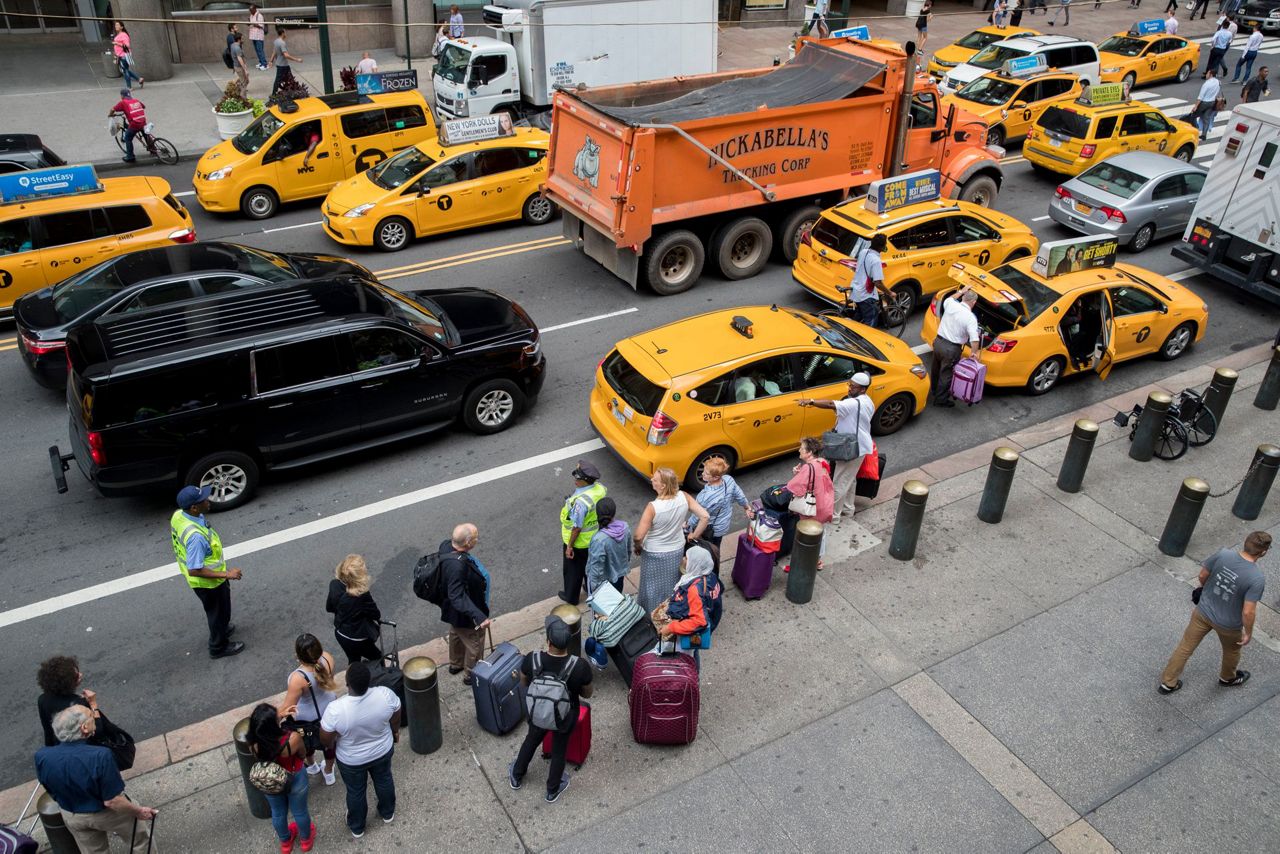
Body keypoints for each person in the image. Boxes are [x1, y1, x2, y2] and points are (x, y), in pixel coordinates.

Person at [35, 706, 158, 854]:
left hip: (72, 814)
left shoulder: (42, 756)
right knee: (140, 841)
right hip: (105, 812)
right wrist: (138, 811)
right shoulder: (101, 756)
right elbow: (112, 800)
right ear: (85, 727)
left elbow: (48, 785)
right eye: (92, 717)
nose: (94, 719)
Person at [1159, 532, 1270, 694]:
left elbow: (1203, 575)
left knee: (1185, 646)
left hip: (1203, 611)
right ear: (1264, 552)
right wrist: (1248, 632)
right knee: (1232, 651)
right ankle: (1227, 678)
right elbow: (1248, 612)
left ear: (1245, 543)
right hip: (1229, 624)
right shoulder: (1256, 578)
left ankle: (1168, 683)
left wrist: (1207, 591)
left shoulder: (1223, 554)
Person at [507, 616, 593, 803]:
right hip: (565, 717)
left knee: (531, 739)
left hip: (538, 712)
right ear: (568, 643)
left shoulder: (532, 659)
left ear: (548, 641)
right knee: (559, 749)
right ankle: (552, 790)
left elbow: (523, 682)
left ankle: (516, 775)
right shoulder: (579, 666)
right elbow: (587, 694)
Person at [320, 662, 400, 839]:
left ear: (348, 684)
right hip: (382, 750)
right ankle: (387, 813)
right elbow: (396, 712)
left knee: (356, 790)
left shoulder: (336, 710)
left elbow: (325, 740)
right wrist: (394, 731)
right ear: (370, 680)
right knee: (384, 779)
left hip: (351, 760)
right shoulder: (385, 694)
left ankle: (357, 826)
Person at [171, 485, 244, 658]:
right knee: (218, 613)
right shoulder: (195, 537)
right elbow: (195, 570)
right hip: (209, 583)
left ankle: (223, 628)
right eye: (203, 499)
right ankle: (218, 647)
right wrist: (227, 574)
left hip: (206, 582)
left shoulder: (179, 515)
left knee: (219, 612)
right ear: (194, 508)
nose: (208, 500)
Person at [797, 372, 873, 523]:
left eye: (853, 386)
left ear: (863, 389)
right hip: (860, 446)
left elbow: (831, 404)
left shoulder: (852, 403)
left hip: (850, 449)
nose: (849, 388)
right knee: (849, 480)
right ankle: (848, 509)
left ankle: (834, 516)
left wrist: (811, 401)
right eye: (849, 384)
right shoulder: (867, 401)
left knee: (839, 482)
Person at [633, 468, 709, 614]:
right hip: (676, 549)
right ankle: (669, 609)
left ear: (663, 486)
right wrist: (694, 535)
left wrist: (638, 546)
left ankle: (651, 612)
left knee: (651, 585)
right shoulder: (684, 496)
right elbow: (705, 516)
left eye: (655, 480)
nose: (651, 481)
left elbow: (638, 536)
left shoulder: (653, 507)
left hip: (654, 552)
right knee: (671, 583)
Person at [247, 702, 315, 853]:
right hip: (295, 776)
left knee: (277, 812)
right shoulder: (292, 739)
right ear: (273, 725)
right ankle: (305, 841)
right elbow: (303, 754)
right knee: (300, 812)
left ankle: (285, 842)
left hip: (271, 780)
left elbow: (264, 733)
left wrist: (278, 716)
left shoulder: (253, 743)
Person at [438, 523, 492, 685]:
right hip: (468, 612)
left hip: (453, 611)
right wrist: (480, 616)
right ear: (468, 543)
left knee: (455, 632)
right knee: (475, 643)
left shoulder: (446, 547)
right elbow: (460, 595)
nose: (477, 539)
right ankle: (471, 675)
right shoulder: (461, 569)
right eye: (475, 537)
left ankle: (455, 664)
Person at [282, 633, 338, 787]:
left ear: (298, 656)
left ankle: (312, 766)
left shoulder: (298, 678)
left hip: (307, 719)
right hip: (329, 708)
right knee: (329, 744)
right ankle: (328, 771)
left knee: (307, 743)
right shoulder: (327, 658)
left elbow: (287, 708)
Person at [659, 546, 718, 670]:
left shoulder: (694, 590)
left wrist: (670, 627)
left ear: (695, 564)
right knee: (693, 653)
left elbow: (699, 621)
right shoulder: (707, 576)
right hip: (697, 627)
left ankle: (690, 682)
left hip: (687, 631)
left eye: (687, 557)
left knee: (687, 658)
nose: (684, 559)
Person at [781, 436, 835, 570]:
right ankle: (817, 561)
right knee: (820, 534)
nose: (799, 450)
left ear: (809, 452)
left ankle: (801, 566)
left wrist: (796, 474)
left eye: (802, 448)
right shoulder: (822, 462)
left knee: (806, 536)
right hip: (825, 504)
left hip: (812, 509)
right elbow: (817, 480)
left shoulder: (808, 468)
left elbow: (793, 487)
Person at [560, 460, 607, 605]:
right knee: (589, 567)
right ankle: (589, 588)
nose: (575, 480)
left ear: (586, 481)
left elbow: (577, 527)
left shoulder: (581, 502)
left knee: (572, 572)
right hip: (593, 538)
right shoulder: (600, 489)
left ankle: (571, 597)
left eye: (578, 479)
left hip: (578, 543)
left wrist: (569, 546)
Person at [326, 554, 383, 665]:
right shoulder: (361, 595)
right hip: (358, 637)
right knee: (377, 658)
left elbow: (329, 607)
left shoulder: (334, 584)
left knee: (353, 660)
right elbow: (376, 614)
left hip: (340, 634)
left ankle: (352, 680)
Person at [930, 287, 981, 408]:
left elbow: (950, 298)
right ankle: (940, 400)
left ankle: (934, 390)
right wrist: (974, 353)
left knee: (936, 368)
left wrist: (962, 291)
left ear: (963, 297)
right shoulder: (970, 318)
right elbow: (974, 339)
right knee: (946, 374)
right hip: (951, 349)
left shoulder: (950, 304)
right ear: (974, 303)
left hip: (938, 342)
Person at [689, 457, 749, 553]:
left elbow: (698, 516)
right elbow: (739, 494)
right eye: (704, 470)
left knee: (706, 552)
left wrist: (689, 526)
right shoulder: (729, 480)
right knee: (716, 550)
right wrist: (746, 507)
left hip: (709, 531)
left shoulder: (707, 496)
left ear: (716, 477)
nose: (702, 474)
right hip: (723, 527)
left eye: (706, 473)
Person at [585, 497, 630, 595]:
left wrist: (594, 587)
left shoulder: (598, 539)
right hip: (619, 574)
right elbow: (628, 551)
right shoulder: (625, 527)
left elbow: (596, 567)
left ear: (597, 514)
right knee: (616, 599)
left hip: (603, 582)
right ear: (614, 512)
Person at [846, 233, 887, 328]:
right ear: (882, 247)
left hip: (856, 289)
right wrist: (890, 293)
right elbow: (878, 283)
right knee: (871, 320)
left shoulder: (863, 252)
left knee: (859, 316)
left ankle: (850, 331)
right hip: (865, 295)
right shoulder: (876, 261)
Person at [107, 88, 146, 165]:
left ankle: (130, 157)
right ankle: (153, 149)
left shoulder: (123, 102)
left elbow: (112, 109)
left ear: (122, 95)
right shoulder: (136, 100)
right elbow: (143, 107)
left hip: (135, 124)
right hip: (143, 122)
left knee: (127, 138)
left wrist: (110, 115)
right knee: (145, 134)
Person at [270, 26, 302, 95]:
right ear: (282, 33)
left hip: (283, 65)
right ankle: (273, 94)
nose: (286, 33)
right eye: (285, 32)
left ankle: (293, 92)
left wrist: (271, 61)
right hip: (282, 66)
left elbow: (274, 52)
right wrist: (297, 59)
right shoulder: (282, 43)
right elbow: (286, 55)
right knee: (278, 80)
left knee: (290, 79)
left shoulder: (276, 41)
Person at [112, 21, 143, 89]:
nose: (116, 26)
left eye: (117, 25)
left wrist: (117, 44)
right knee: (125, 70)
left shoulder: (124, 35)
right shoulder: (119, 35)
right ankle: (139, 79)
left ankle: (129, 87)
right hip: (120, 55)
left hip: (124, 56)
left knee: (125, 71)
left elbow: (127, 46)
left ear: (122, 27)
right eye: (115, 25)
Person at [1193, 69, 1223, 140]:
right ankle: (1204, 135)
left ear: (1211, 74)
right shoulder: (1218, 82)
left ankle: (1193, 130)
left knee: (1193, 115)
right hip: (1212, 102)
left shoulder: (1206, 84)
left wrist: (1196, 106)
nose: (1206, 75)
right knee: (1206, 118)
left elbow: (1200, 96)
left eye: (1207, 73)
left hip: (1204, 103)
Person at [230, 32, 249, 99]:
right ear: (239, 39)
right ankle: (243, 99)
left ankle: (239, 95)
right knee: (244, 83)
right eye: (242, 38)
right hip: (239, 67)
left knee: (243, 81)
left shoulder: (232, 45)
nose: (243, 39)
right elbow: (240, 59)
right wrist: (245, 70)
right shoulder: (237, 48)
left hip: (236, 66)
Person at [248, 4, 268, 70]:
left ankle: (264, 64)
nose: (250, 11)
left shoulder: (259, 15)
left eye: (251, 10)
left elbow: (261, 25)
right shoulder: (251, 15)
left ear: (255, 9)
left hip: (258, 36)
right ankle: (261, 62)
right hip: (253, 35)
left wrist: (254, 24)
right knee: (257, 50)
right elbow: (251, 24)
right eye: (250, 10)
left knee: (260, 50)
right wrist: (249, 23)